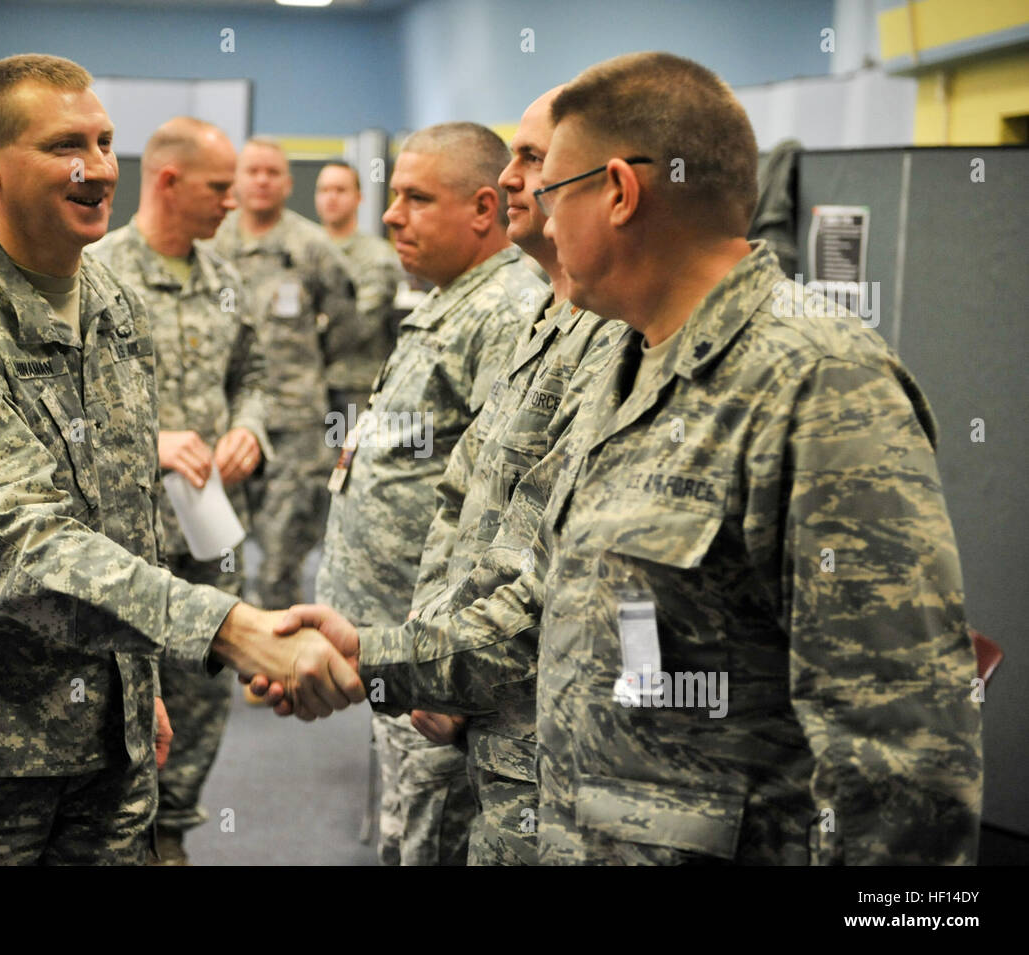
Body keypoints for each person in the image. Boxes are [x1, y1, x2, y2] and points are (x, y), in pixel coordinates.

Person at [269, 52, 983, 866]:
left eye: (550, 188)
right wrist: (376, 657)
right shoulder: (619, 364)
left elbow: (903, 750)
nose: (529, 209)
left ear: (617, 192)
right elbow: (537, 601)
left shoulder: (818, 382)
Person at [0, 54, 362, 867]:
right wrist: (232, 628)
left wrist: (133, 687)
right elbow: (14, 539)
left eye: (107, 142)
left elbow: (122, 515)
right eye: (67, 145)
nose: (100, 168)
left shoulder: (114, 307)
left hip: (104, 747)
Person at [316, 122, 548, 866]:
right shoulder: (456, 298)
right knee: (404, 829)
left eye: (416, 198)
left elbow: (504, 508)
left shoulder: (507, 310)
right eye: (394, 197)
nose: (391, 216)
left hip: (435, 657)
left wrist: (440, 662)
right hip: (395, 644)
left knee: (430, 834)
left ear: (485, 209)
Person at [399, 88, 615, 865]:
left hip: (537, 735)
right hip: (469, 695)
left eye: (534, 158)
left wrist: (419, 665)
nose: (515, 177)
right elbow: (460, 505)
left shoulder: (619, 335)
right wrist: (426, 649)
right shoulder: (540, 319)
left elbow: (552, 569)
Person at [88, 116, 270, 865]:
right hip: (122, 544)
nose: (233, 202)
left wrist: (250, 430)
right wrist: (149, 443)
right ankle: (115, 838)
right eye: (220, 188)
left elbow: (250, 377)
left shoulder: (227, 282)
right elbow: (59, 411)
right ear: (168, 181)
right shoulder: (96, 275)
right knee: (117, 699)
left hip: (213, 536)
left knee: (200, 698)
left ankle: (170, 837)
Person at [211, 139, 356, 611]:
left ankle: (274, 666)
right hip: (225, 420)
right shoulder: (213, 242)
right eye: (252, 171)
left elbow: (344, 323)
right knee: (215, 550)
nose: (261, 180)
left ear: (288, 183)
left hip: (295, 423)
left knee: (281, 557)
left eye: (272, 172)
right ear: (236, 179)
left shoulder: (311, 247)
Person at [314, 160, 403, 422]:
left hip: (353, 387)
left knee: (349, 459)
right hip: (307, 388)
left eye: (340, 190)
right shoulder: (305, 250)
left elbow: (360, 325)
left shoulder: (377, 256)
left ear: (359, 198)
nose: (331, 198)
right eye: (324, 190)